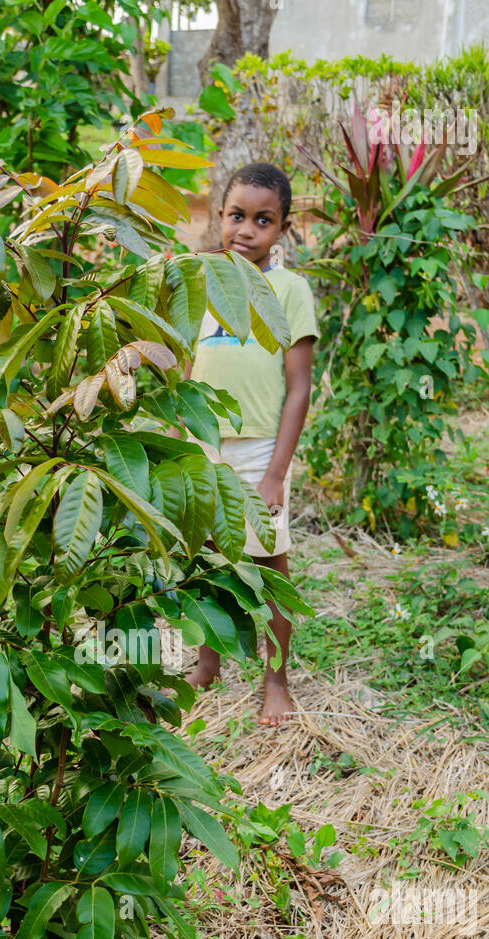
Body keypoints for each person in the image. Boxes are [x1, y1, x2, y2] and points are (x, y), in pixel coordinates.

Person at [188, 162, 317, 727]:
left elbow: (298, 388)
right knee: (205, 559)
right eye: (237, 216)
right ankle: (206, 664)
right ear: (221, 217)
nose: (246, 230)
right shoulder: (200, 283)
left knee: (269, 568)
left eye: (263, 221)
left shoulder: (288, 289)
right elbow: (185, 373)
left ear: (282, 229)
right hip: (202, 444)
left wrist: (274, 473)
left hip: (260, 451)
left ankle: (276, 681)